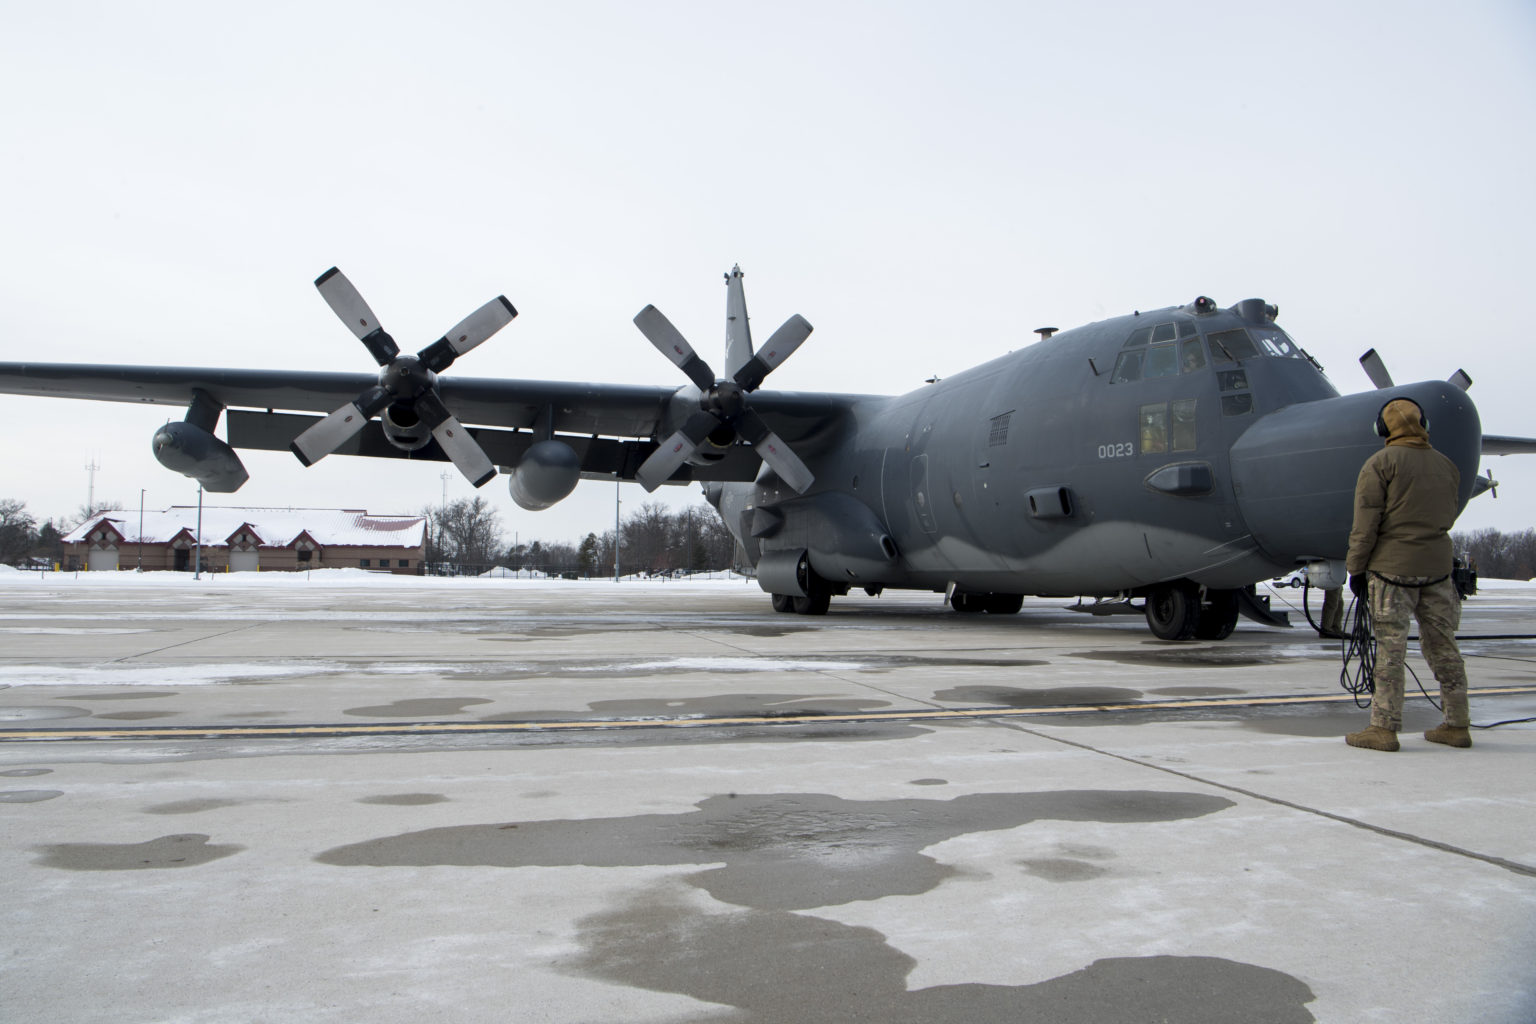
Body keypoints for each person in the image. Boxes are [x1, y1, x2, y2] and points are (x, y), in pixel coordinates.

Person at [1344, 398, 1471, 751]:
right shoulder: (1447, 465)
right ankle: (1457, 724)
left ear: (1383, 429)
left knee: (1390, 651)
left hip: (1392, 572)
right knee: (1444, 647)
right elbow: (1449, 514)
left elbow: (1365, 525)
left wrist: (1356, 568)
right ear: (1423, 425)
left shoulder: (1379, 464)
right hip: (1437, 571)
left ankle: (1383, 728)